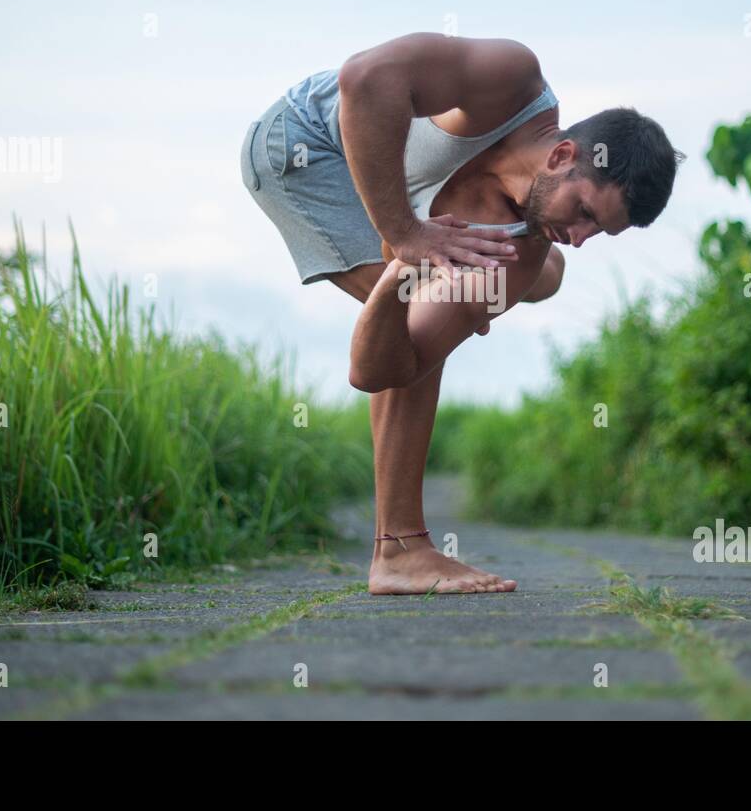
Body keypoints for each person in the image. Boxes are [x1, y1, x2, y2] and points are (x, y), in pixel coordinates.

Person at [239, 33, 682, 594]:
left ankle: (398, 554)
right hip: (303, 145)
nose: (580, 237)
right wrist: (404, 237)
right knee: (435, 290)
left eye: (598, 232)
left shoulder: (517, 254)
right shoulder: (511, 80)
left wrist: (405, 274)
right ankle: (400, 552)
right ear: (562, 155)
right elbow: (364, 78)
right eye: (585, 213)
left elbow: (379, 371)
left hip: (481, 237)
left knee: (454, 293)